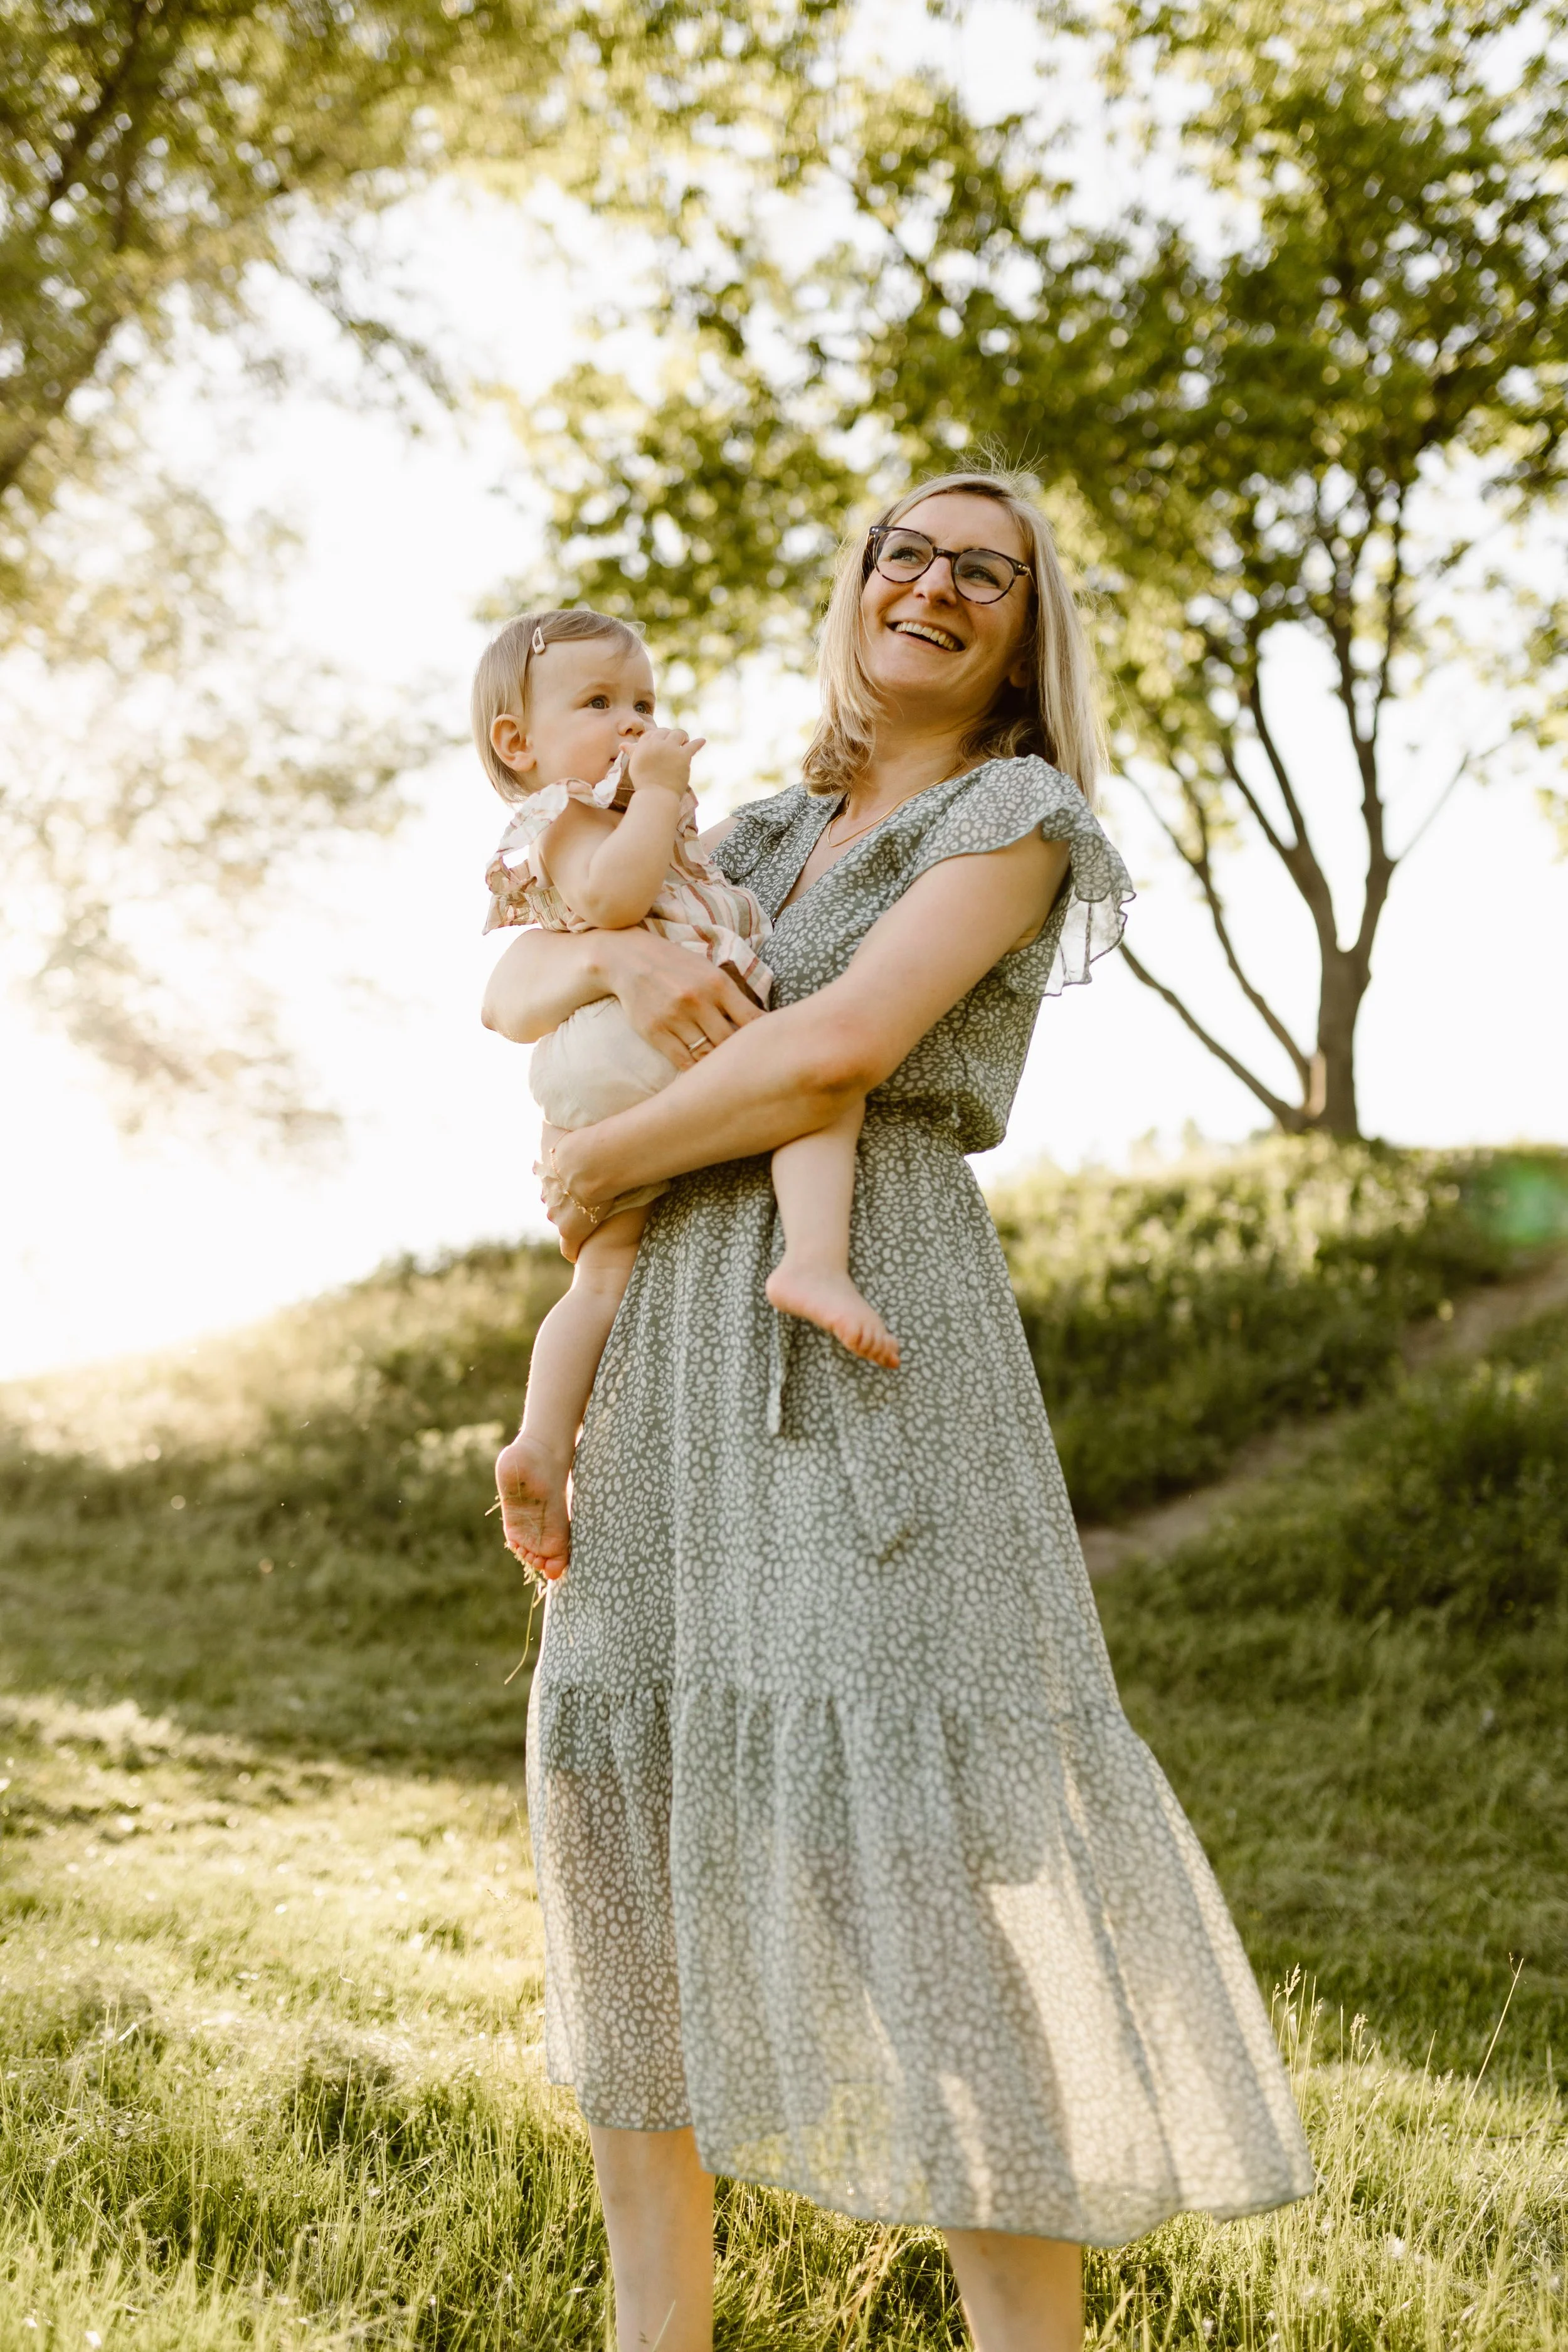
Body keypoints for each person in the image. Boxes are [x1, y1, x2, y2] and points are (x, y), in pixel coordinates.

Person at [482, 469, 1315, 2352]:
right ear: (857, 583)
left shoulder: (1011, 817)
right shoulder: (750, 823)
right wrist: (607, 961)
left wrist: (606, 1151)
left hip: (867, 1316)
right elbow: (531, 962)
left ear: (1022, 636)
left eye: (983, 573)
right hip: (658, 1349)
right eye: (904, 551)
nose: (933, 584)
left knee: (919, 1868)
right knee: (629, 1824)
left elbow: (839, 1048)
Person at [474, 609, 899, 1576]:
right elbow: (613, 901)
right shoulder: (569, 816)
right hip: (640, 1042)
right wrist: (662, 790)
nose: (631, 722)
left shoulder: (642, 827)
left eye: (643, 702)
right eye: (598, 703)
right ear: (518, 743)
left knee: (601, 1278)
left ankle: (543, 1441)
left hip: (606, 1067)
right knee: (822, 1085)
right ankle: (815, 1259)